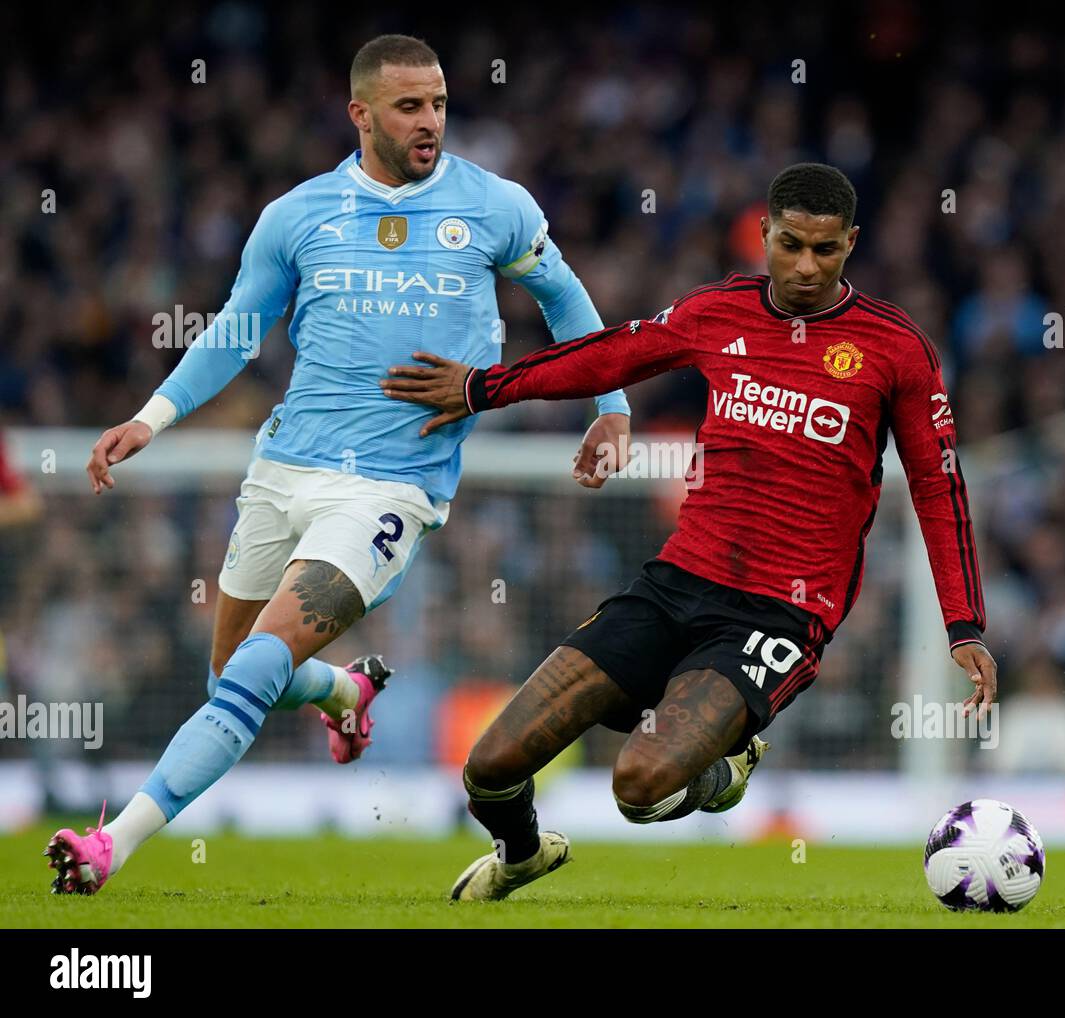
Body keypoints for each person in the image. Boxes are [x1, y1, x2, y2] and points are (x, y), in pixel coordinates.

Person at [45, 33, 631, 895]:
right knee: (231, 671)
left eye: (437, 102)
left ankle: (111, 843)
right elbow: (239, 330)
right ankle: (345, 697)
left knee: (251, 669)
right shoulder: (299, 215)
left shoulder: (495, 206)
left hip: (392, 488)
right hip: (283, 468)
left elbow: (566, 299)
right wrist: (151, 416)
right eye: (407, 106)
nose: (429, 120)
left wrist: (611, 408)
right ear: (360, 113)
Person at [380, 162, 997, 901]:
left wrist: (964, 624)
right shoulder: (717, 313)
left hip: (780, 613)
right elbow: (609, 354)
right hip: (675, 584)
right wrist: (486, 386)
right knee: (490, 767)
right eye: (791, 244)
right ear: (764, 233)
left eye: (825, 251)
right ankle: (523, 854)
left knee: (639, 789)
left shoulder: (894, 348)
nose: (805, 266)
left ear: (852, 245)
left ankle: (723, 770)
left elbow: (939, 487)